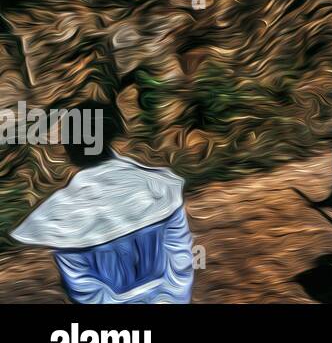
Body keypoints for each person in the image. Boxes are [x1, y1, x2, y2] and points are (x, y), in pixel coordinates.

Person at [12, 103, 195, 304]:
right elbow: (181, 262)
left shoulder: (60, 220)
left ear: (69, 146)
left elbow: (86, 293)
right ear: (109, 138)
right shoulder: (160, 188)